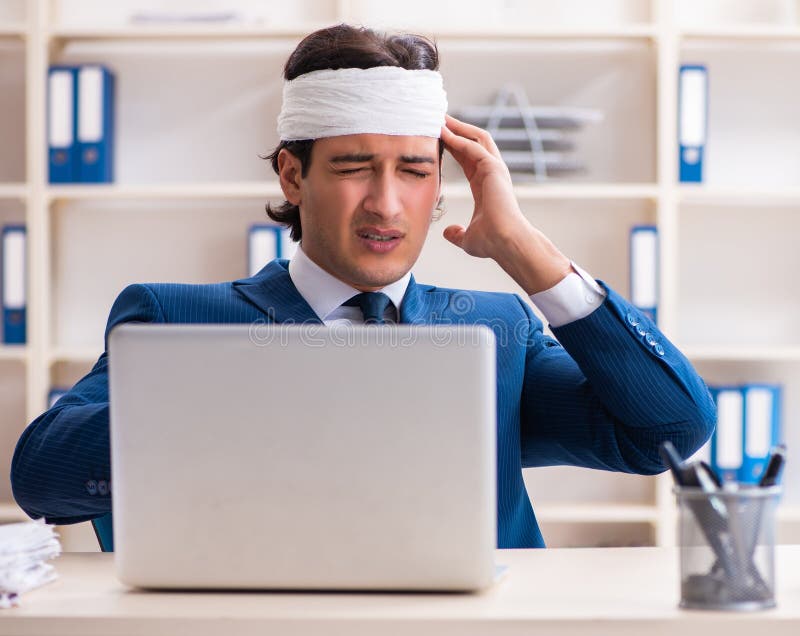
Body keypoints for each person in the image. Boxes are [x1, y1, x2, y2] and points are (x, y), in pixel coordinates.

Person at [11, 24, 715, 549]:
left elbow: (671, 432)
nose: (386, 203)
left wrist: (523, 249)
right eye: (353, 167)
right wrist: (239, 393)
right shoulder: (177, 316)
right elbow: (43, 479)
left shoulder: (498, 333)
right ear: (293, 176)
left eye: (415, 170)